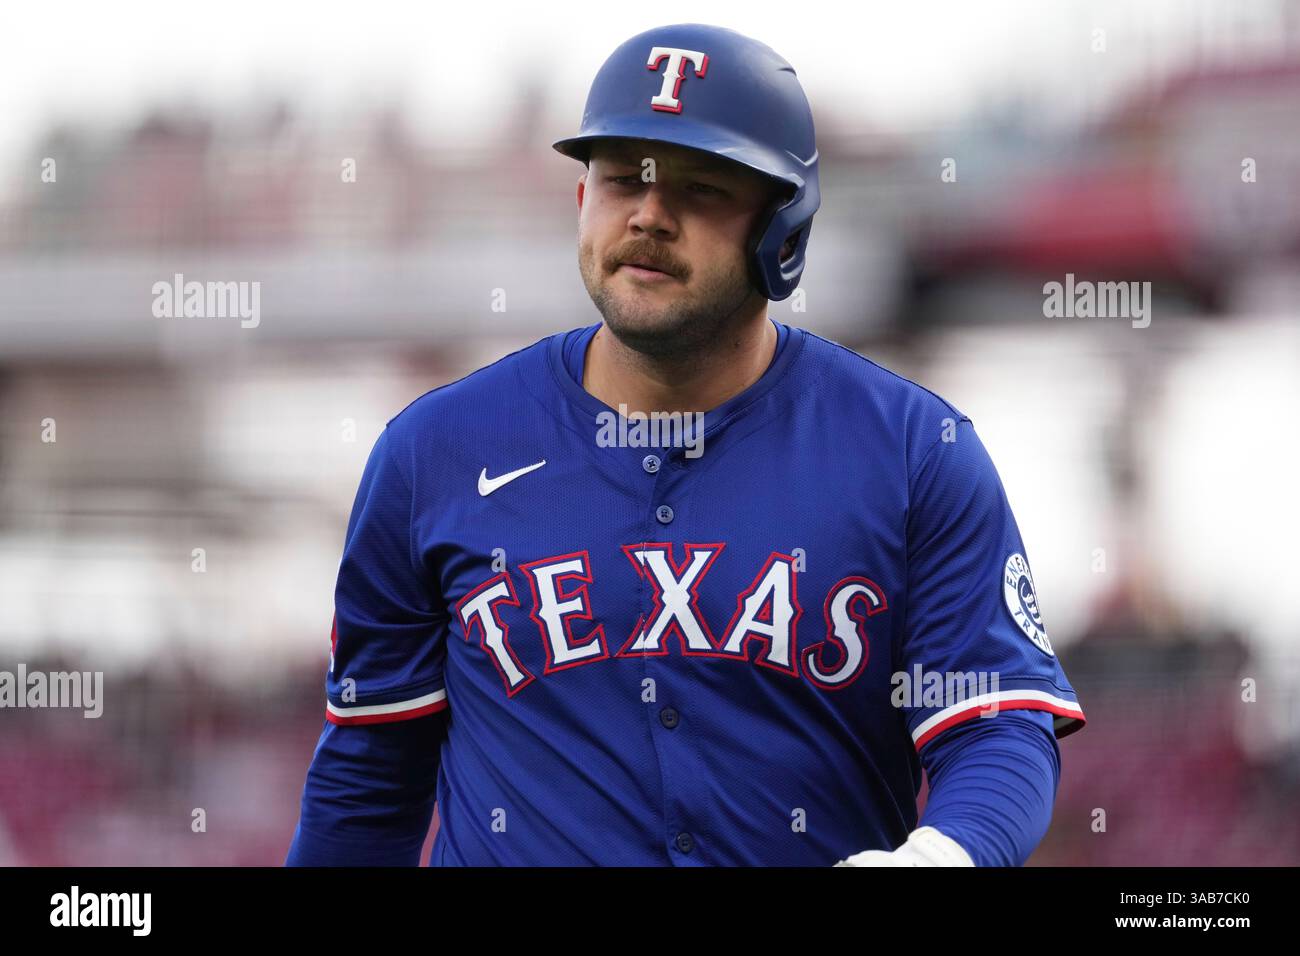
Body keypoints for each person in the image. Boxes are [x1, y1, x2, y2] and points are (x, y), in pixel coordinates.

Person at [286, 22, 1085, 867]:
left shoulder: (916, 452)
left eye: (700, 189)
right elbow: (370, 775)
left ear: (784, 232)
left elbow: (997, 724)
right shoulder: (432, 452)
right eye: (623, 178)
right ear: (582, 200)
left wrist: (945, 856)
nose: (649, 216)